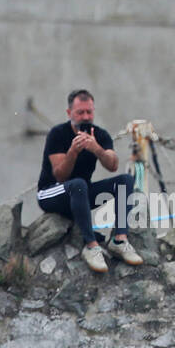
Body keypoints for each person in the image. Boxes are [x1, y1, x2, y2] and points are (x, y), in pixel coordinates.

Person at [35, 88, 144, 273]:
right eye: (80, 112)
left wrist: (97, 149)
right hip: (51, 193)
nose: (85, 117)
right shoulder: (58, 134)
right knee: (78, 184)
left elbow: (113, 165)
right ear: (70, 113)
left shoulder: (99, 135)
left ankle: (120, 239)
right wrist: (73, 152)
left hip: (81, 193)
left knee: (125, 180)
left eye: (89, 112)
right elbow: (60, 175)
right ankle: (91, 245)